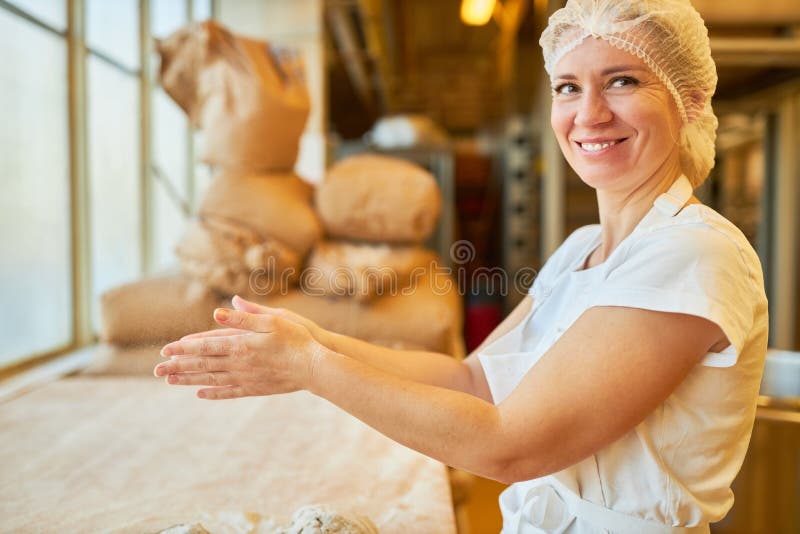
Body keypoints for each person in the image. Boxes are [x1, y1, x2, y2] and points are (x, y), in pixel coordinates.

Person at [154, 0, 768, 531]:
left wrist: (313, 368)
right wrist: (317, 339)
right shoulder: (583, 247)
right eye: (568, 87)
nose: (589, 114)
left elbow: (509, 446)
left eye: (623, 81)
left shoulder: (692, 253)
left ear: (689, 101)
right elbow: (472, 382)